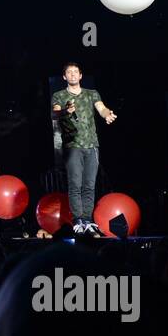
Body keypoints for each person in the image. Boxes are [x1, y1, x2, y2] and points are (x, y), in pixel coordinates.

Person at [50, 61, 117, 237]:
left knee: (89, 185)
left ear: (80, 76)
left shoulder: (91, 93)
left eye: (75, 72)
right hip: (73, 146)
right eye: (69, 72)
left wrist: (107, 114)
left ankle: (87, 220)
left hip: (92, 145)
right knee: (75, 184)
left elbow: (101, 108)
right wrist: (66, 111)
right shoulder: (59, 95)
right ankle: (78, 220)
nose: (72, 75)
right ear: (64, 77)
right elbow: (55, 113)